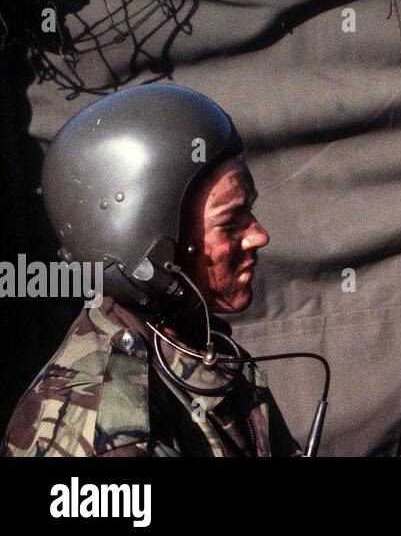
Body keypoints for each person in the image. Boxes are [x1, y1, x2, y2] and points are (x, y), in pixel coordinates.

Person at [3, 85, 303, 457]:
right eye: (230, 223)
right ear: (150, 246)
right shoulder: (107, 424)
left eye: (250, 213)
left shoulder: (194, 349)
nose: (259, 236)